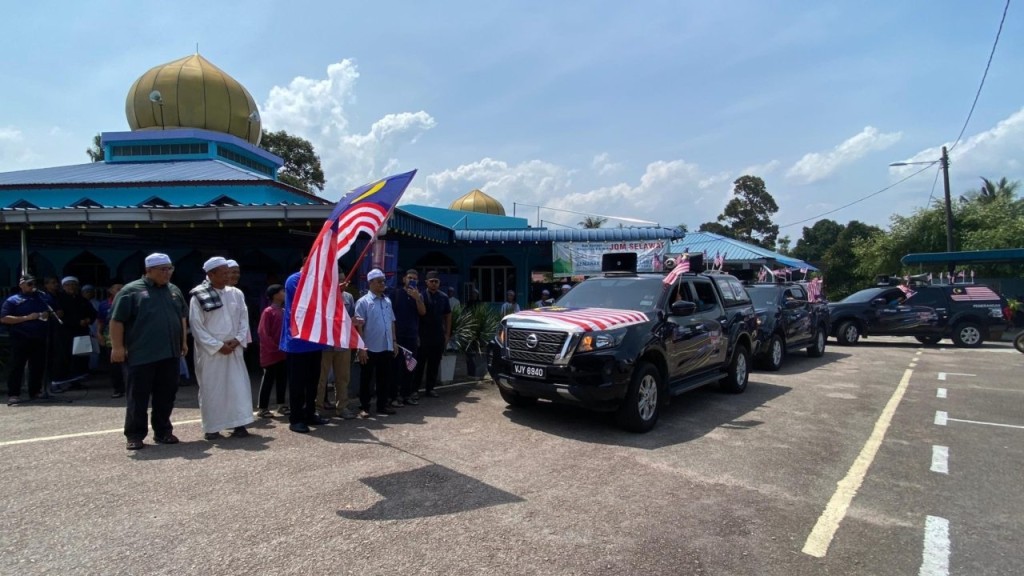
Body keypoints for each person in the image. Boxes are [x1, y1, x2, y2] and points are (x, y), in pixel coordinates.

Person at [110, 253, 188, 450]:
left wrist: (183, 342)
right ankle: (135, 435)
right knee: (138, 397)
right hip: (141, 354)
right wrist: (117, 347)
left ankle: (163, 431)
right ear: (148, 270)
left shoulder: (173, 290)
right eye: (163, 269)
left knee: (166, 394)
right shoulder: (131, 291)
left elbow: (182, 318)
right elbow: (117, 320)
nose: (167, 273)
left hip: (169, 353)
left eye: (170, 268)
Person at [189, 256, 255, 440]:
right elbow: (197, 326)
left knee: (237, 387)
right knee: (212, 388)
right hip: (211, 352)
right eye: (224, 273)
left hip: (234, 348)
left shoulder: (236, 293)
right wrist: (217, 345)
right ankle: (212, 427)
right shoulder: (199, 295)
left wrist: (237, 340)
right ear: (211, 274)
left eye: (230, 272)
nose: (229, 276)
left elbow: (244, 319)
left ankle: (239, 424)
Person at [280, 264, 330, 434]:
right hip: (297, 342)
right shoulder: (294, 279)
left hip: (314, 341)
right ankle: (296, 418)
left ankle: (310, 413)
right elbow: (305, 302)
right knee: (297, 383)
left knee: (312, 382)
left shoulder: (319, 282)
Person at [3, 274, 58, 405]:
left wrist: (47, 314)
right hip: (20, 337)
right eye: (29, 284)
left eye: (34, 284)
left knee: (38, 366)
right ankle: (14, 393)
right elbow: (4, 318)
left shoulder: (42, 298)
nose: (32, 287)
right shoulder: (13, 300)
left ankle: (35, 391)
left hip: (39, 337)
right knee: (17, 366)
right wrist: (26, 318)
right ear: (21, 285)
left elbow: (57, 311)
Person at [354, 268, 399, 418]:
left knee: (384, 377)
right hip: (369, 347)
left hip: (386, 345)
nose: (382, 284)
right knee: (366, 379)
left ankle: (382, 405)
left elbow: (392, 322)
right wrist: (362, 348)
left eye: (383, 281)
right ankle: (364, 407)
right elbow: (359, 326)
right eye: (379, 281)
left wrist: (394, 341)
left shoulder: (387, 300)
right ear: (370, 283)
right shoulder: (363, 302)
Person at [316, 270, 358, 419]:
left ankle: (342, 407)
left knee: (343, 377)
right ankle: (317, 408)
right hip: (325, 343)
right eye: (339, 280)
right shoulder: (323, 295)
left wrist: (354, 322)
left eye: (345, 281)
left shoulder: (349, 298)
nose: (343, 283)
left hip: (342, 343)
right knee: (321, 378)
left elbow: (351, 318)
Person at [389, 268, 425, 406]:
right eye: (409, 277)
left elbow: (422, 312)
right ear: (404, 279)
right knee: (396, 368)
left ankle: (406, 395)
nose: (412, 280)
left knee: (410, 367)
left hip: (412, 337)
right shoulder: (396, 294)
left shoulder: (419, 296)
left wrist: (417, 299)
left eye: (414, 278)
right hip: (398, 337)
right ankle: (394, 396)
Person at [53, 276, 96, 389]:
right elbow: (59, 317)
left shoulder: (82, 300)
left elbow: (92, 313)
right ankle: (59, 382)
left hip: (81, 334)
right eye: (68, 285)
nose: (71, 287)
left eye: (73, 284)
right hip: (65, 334)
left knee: (79, 358)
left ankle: (76, 382)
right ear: (63, 287)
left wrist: (88, 320)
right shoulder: (59, 300)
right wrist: (77, 322)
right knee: (63, 358)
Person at [413, 270, 451, 399]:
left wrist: (447, 334)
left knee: (434, 364)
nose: (434, 284)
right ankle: (415, 390)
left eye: (436, 281)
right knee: (420, 364)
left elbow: (448, 316)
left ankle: (430, 388)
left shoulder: (444, 297)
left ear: (439, 283)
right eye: (432, 281)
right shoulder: (421, 296)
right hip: (423, 336)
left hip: (438, 336)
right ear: (426, 283)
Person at [256, 284, 288, 418]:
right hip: (271, 352)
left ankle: (281, 405)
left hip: (283, 352)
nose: (284, 293)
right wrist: (274, 347)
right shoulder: (268, 312)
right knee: (268, 379)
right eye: (282, 291)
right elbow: (263, 332)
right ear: (275, 295)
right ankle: (262, 407)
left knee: (282, 378)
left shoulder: (285, 311)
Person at [96, 283, 125, 398]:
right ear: (110, 290)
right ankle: (118, 389)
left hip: (129, 338)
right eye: (117, 288)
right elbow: (101, 321)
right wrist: (99, 334)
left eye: (122, 288)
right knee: (114, 366)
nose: (120, 290)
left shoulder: (131, 300)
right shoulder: (104, 305)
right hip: (111, 339)